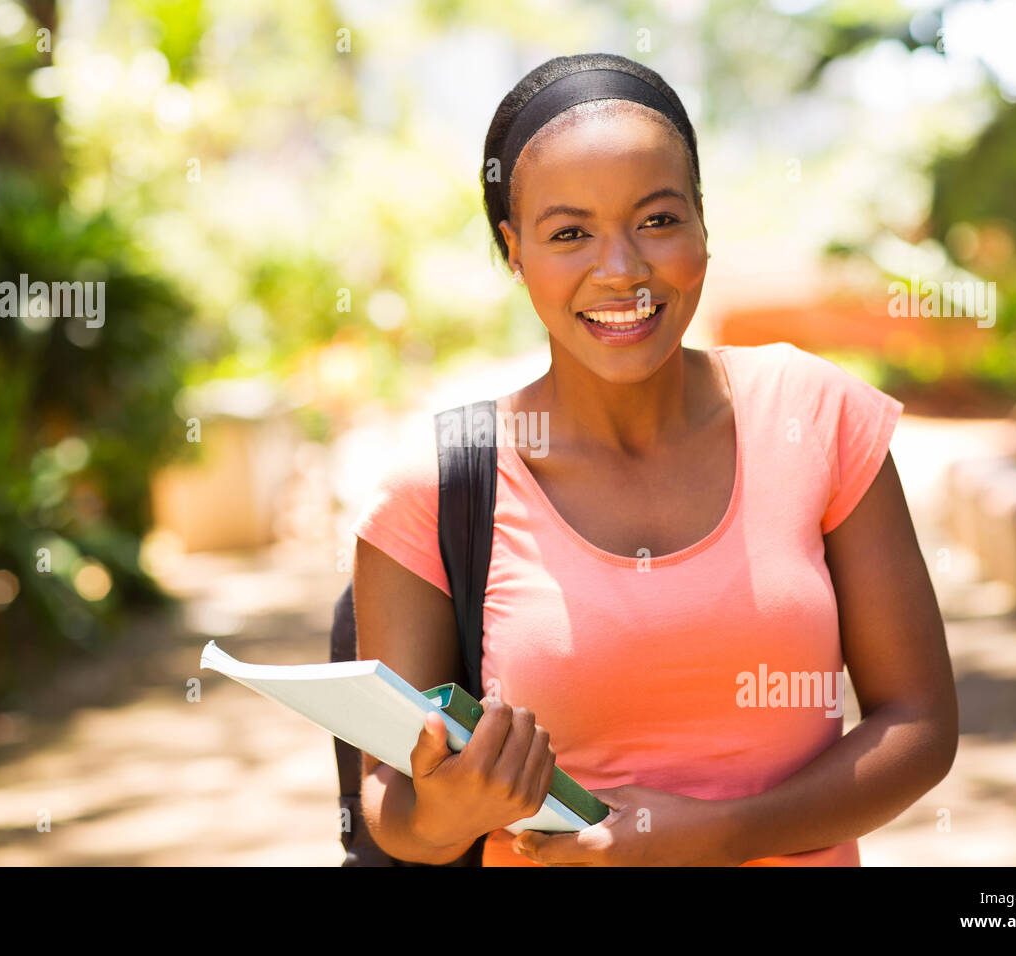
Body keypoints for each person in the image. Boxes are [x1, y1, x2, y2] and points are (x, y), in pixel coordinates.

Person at [351, 52, 958, 866]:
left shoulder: (814, 416)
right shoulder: (435, 486)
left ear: (703, 222)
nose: (622, 270)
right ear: (513, 250)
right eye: (569, 233)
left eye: (658, 220)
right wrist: (446, 813)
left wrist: (714, 837)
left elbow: (918, 723)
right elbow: (388, 800)